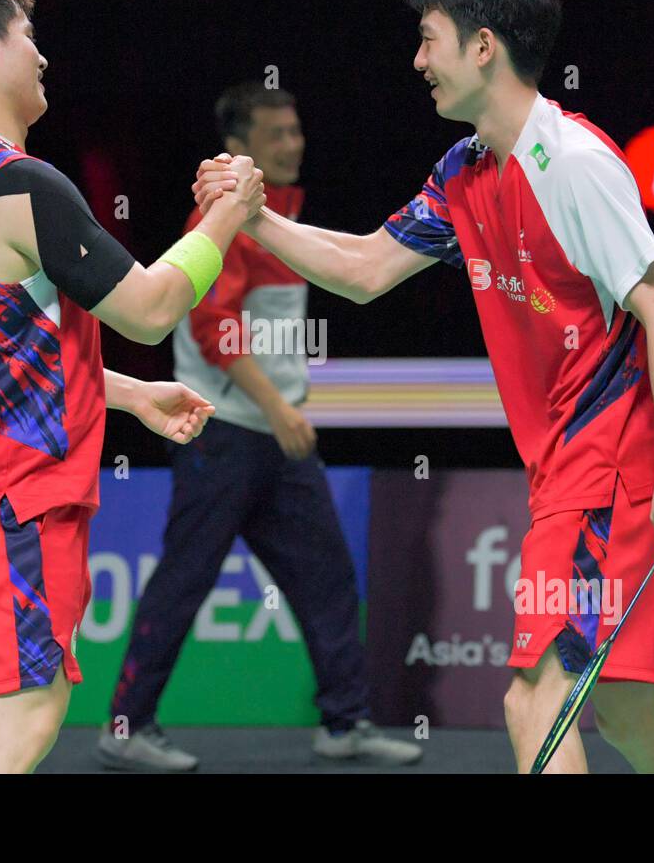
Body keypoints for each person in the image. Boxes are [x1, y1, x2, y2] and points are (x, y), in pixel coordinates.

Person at [194, 0, 654, 774]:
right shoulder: (466, 171)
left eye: (429, 36)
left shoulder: (576, 166)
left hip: (614, 473)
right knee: (625, 716)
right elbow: (367, 268)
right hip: (567, 473)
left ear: (483, 46)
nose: (418, 60)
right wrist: (253, 219)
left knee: (534, 702)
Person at [0, 0, 264, 773]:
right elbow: (155, 307)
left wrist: (123, 395)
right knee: (28, 718)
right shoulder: (21, 184)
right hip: (13, 502)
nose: (43, 56)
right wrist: (227, 214)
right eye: (27, 37)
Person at [97, 83, 421, 771]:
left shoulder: (285, 216)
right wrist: (279, 408)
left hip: (277, 437)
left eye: (296, 131)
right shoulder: (216, 223)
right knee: (185, 578)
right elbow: (214, 330)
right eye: (276, 134)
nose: (293, 144)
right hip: (223, 434)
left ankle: (344, 722)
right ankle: (126, 729)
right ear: (238, 149)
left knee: (328, 575)